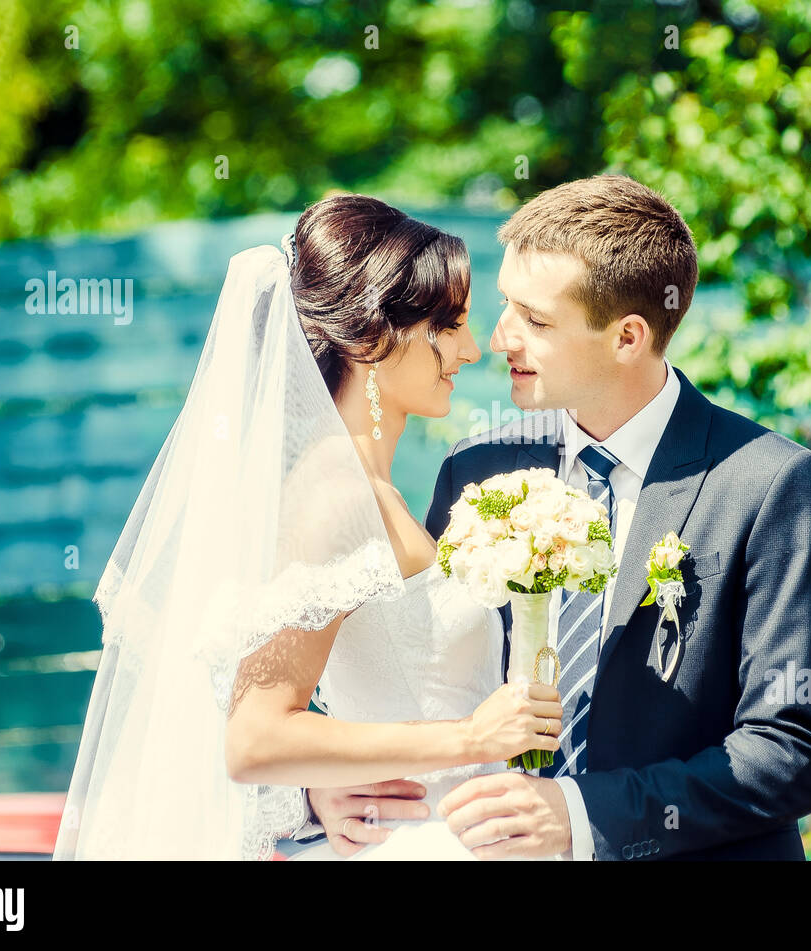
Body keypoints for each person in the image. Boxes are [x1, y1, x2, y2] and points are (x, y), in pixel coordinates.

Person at [300, 175, 811, 860]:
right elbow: (408, 664)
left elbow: (792, 750)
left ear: (627, 336)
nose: (497, 339)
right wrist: (324, 782)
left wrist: (582, 814)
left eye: (535, 320)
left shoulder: (770, 483)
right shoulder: (476, 472)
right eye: (504, 308)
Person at [54, 194, 561, 860]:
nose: (469, 350)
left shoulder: (374, 490)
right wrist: (471, 736)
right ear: (368, 337)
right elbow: (255, 738)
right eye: (448, 324)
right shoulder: (333, 494)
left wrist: (320, 786)